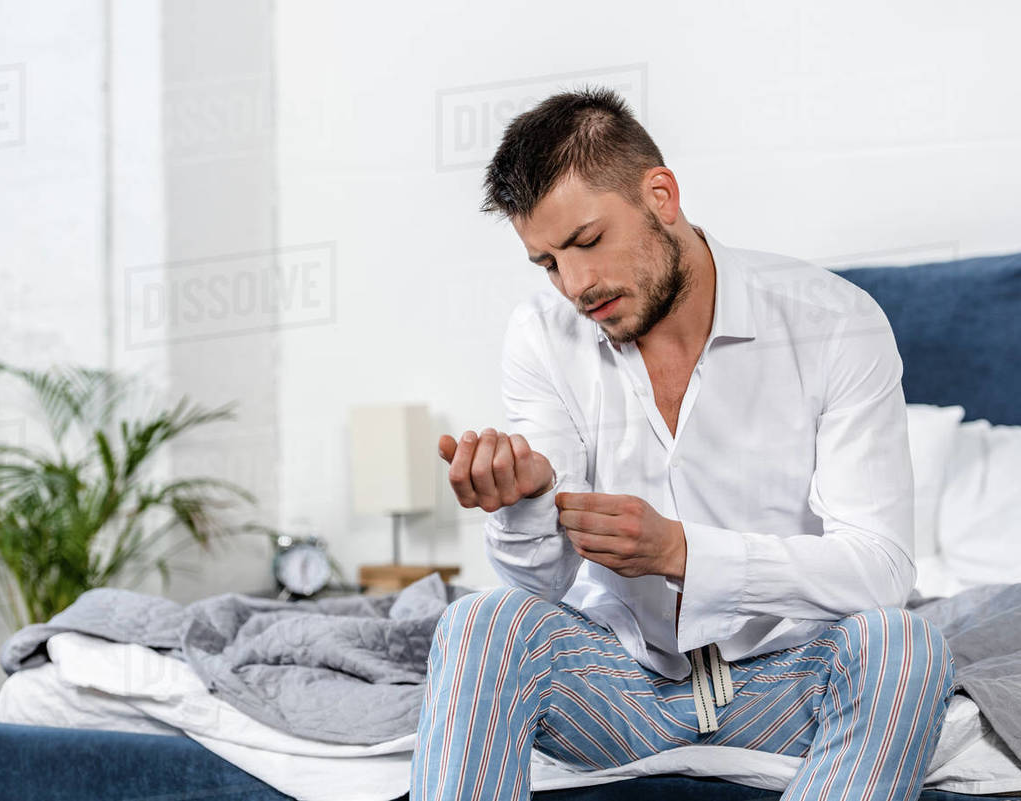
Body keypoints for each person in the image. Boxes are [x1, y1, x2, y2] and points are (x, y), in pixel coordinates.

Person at [410, 87, 956, 801]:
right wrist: (521, 504)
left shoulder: (837, 323)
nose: (574, 284)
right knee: (480, 620)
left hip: (788, 685)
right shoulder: (542, 335)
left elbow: (880, 569)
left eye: (587, 241)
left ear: (660, 195)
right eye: (548, 262)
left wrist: (681, 552)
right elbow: (537, 586)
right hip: (621, 687)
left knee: (908, 646)